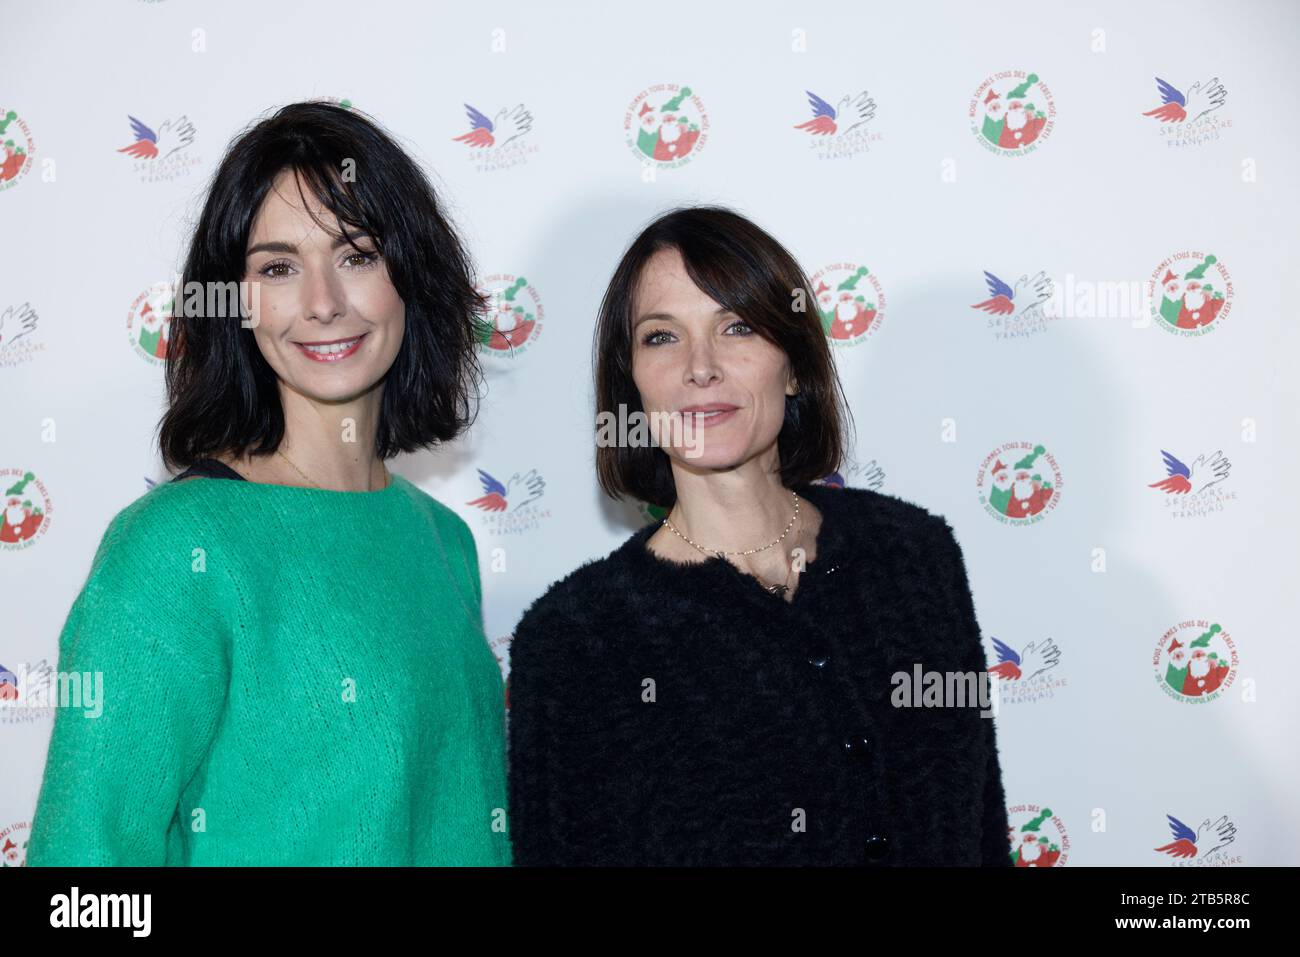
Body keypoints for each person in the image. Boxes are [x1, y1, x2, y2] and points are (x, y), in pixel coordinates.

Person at [25, 101, 511, 866]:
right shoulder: (173, 549)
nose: (322, 302)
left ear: (410, 275)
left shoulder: (442, 538)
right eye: (278, 267)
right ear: (235, 303)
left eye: (356, 254)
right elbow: (80, 875)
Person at [507, 205, 1012, 866]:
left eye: (737, 326)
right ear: (631, 386)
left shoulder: (915, 554)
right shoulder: (577, 641)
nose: (701, 366)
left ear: (795, 365)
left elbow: (982, 831)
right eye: (662, 337)